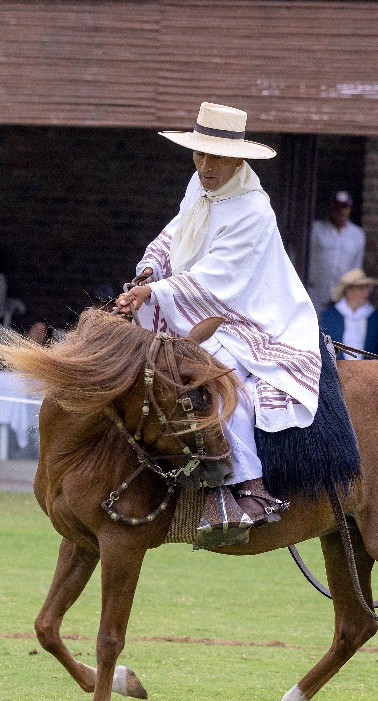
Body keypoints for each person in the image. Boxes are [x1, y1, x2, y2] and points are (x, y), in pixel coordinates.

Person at [115, 101, 317, 545]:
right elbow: (177, 231)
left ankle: (247, 486)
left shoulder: (254, 211)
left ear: (238, 158)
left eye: (216, 157)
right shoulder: (200, 184)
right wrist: (150, 269)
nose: (205, 165)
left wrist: (156, 292)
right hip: (208, 310)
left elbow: (219, 278)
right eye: (199, 153)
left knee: (217, 383)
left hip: (256, 319)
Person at [306, 190, 365, 310]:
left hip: (342, 297)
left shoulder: (357, 234)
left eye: (345, 207)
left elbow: (356, 267)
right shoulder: (316, 229)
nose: (341, 211)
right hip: (314, 293)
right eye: (337, 207)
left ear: (350, 209)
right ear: (330, 208)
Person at [319, 268, 378, 360]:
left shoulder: (377, 318)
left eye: (367, 288)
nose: (366, 293)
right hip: (337, 372)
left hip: (368, 372)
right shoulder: (329, 316)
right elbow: (322, 349)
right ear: (349, 290)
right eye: (361, 289)